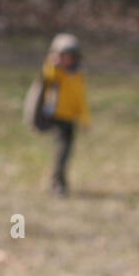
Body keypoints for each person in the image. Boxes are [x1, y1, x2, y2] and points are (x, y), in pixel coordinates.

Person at [33, 33, 91, 197]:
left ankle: (59, 179)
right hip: (57, 116)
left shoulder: (78, 75)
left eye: (70, 57)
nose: (67, 60)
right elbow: (48, 76)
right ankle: (58, 182)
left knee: (67, 150)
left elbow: (81, 99)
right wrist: (52, 64)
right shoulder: (57, 73)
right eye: (63, 57)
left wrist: (85, 119)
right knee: (62, 149)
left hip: (70, 118)